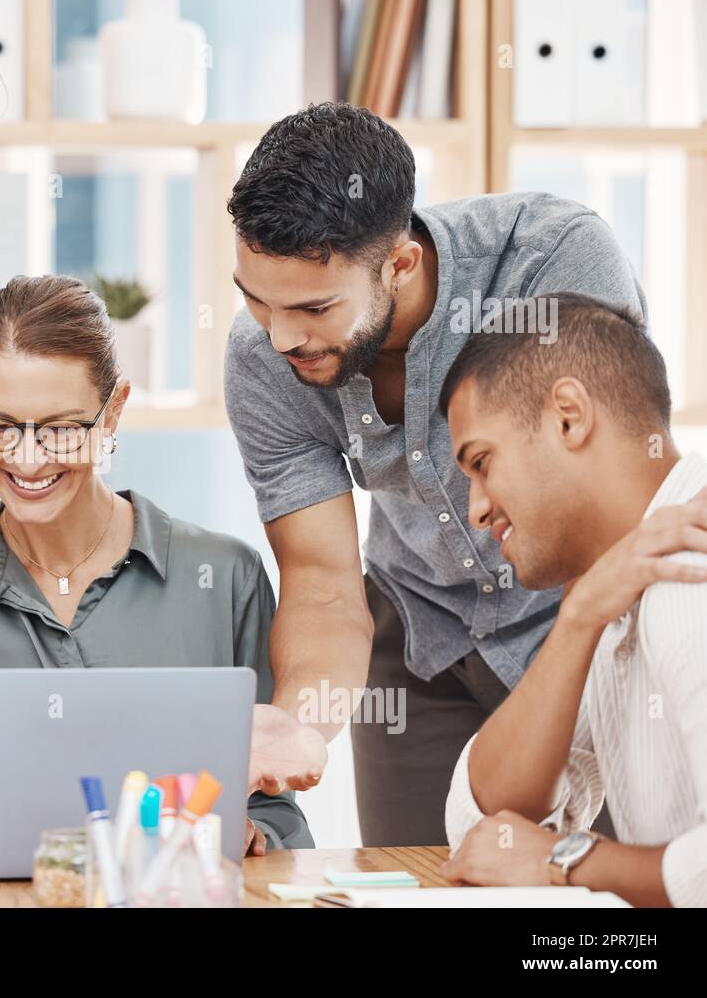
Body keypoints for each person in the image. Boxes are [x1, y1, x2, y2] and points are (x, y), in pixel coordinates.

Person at [227, 101, 645, 845]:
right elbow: (323, 581)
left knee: (600, 894)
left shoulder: (551, 266)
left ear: (400, 264)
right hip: (422, 639)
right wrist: (302, 724)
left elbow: (603, 512)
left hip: (582, 619)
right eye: (256, 299)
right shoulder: (263, 357)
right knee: (414, 886)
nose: (282, 334)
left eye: (315, 307)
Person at [0, 275, 313, 857]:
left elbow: (277, 813)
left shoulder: (225, 578)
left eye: (61, 429)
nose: (27, 459)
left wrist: (254, 834)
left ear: (113, 413)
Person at [437, 294, 707, 907]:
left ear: (568, 416)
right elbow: (483, 821)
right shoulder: (618, 588)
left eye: (482, 462)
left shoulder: (690, 569)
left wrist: (568, 859)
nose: (477, 510)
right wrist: (580, 616)